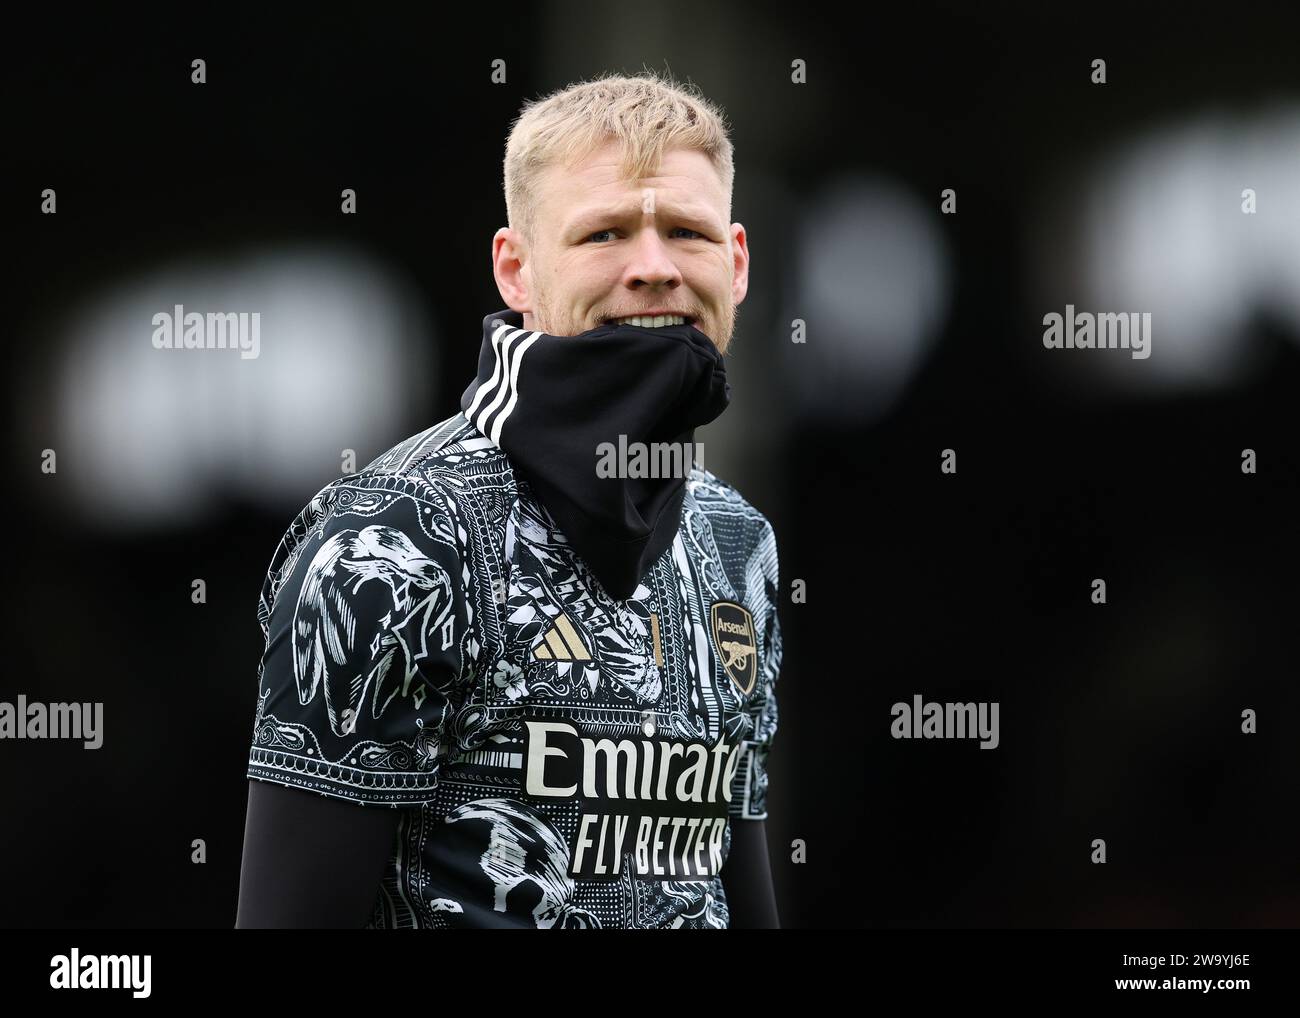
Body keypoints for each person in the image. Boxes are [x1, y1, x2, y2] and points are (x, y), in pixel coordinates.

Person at [236, 71, 782, 929]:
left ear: (737, 263)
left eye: (687, 232)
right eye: (604, 233)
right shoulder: (394, 539)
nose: (653, 266)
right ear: (515, 270)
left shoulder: (737, 541)